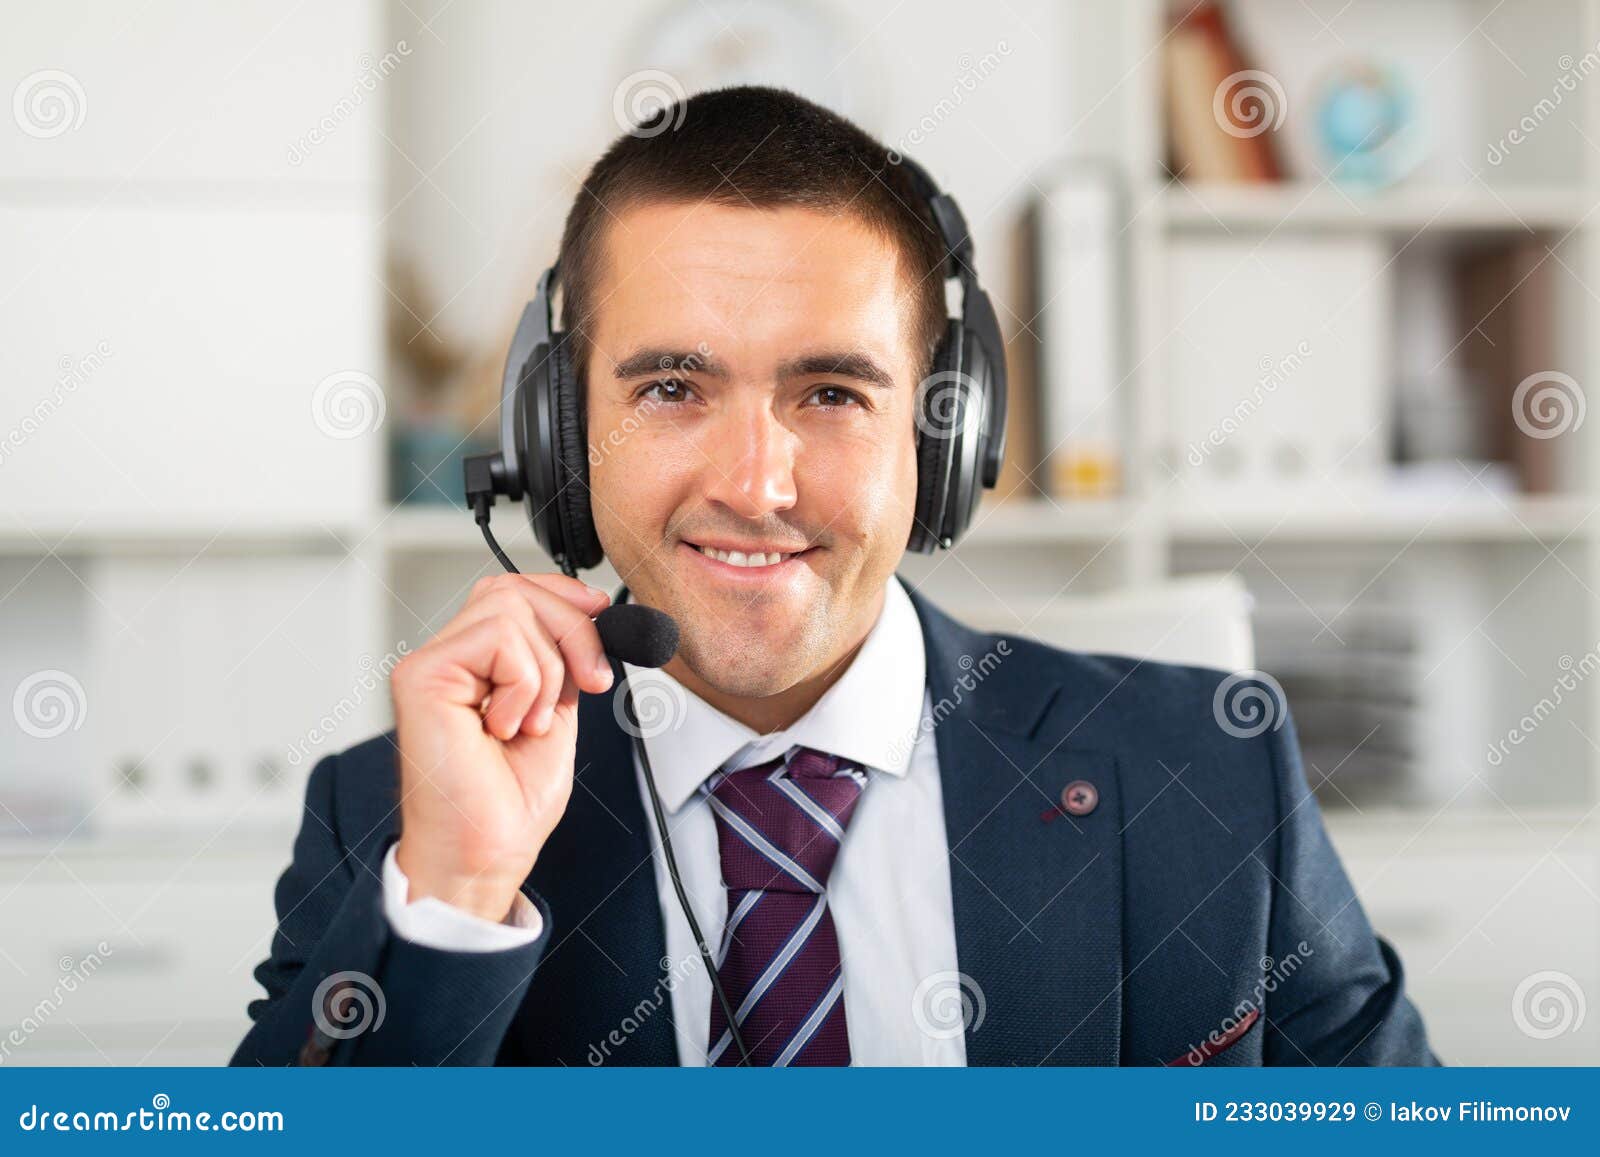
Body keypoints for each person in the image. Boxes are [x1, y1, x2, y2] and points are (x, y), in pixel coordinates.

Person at [231, 85, 1435, 1068]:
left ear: (942, 439)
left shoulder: (1208, 772)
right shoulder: (397, 822)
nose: (757, 482)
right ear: (554, 438)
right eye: (670, 389)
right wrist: (459, 896)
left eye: (831, 393)